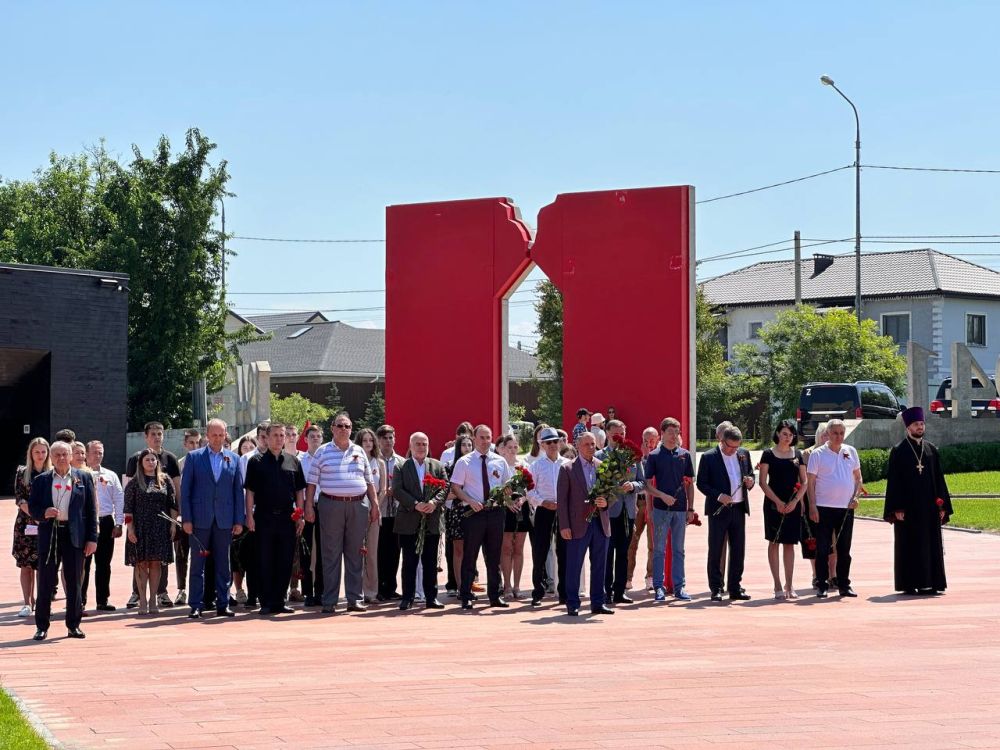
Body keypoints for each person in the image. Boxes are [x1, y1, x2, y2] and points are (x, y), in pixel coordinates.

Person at [305, 411, 379, 614]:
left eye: (347, 426)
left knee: (356, 553)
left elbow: (369, 481)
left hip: (358, 505)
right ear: (332, 428)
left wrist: (374, 504)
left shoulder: (359, 451)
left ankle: (354, 599)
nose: (343, 429)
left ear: (351, 429)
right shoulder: (322, 451)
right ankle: (329, 600)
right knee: (330, 554)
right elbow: (311, 482)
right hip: (331, 505)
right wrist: (308, 506)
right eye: (340, 425)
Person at [28, 441, 98, 640]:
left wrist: (92, 538)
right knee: (46, 582)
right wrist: (44, 513)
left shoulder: (83, 477)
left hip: (74, 535)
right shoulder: (41, 480)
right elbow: (32, 508)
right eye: (56, 454)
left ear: (71, 456)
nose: (60, 458)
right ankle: (41, 626)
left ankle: (73, 625)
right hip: (50, 533)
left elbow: (91, 510)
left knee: (74, 581)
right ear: (51, 456)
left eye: (64, 454)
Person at [883, 407, 953, 595]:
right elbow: (894, 481)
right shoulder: (899, 451)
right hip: (908, 509)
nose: (920, 427)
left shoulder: (931, 450)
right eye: (916, 424)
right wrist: (897, 507)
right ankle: (909, 583)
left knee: (931, 544)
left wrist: (943, 505)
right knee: (910, 544)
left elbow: (939, 479)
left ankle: (932, 582)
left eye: (921, 424)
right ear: (908, 427)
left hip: (930, 508)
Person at [180, 418, 245, 618]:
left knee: (223, 564)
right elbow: (185, 491)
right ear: (207, 436)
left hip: (224, 520)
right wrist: (187, 519)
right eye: (214, 435)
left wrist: (238, 520)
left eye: (221, 435)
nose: (217, 439)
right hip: (199, 520)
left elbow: (237, 492)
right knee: (198, 564)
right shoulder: (194, 457)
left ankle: (223, 603)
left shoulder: (233, 459)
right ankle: (196, 605)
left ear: (225, 435)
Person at [244, 423, 306, 614]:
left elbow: (299, 492)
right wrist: (249, 516)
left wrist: (300, 516)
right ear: (267, 438)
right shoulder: (256, 462)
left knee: (285, 560)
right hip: (263, 517)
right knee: (264, 559)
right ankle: (266, 602)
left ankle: (279, 600)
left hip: (287, 519)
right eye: (275, 435)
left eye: (282, 435)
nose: (279, 439)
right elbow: (250, 492)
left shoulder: (293, 461)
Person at [450, 424, 512, 610]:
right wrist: (469, 501)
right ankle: (467, 595)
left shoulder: (499, 461)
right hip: (473, 514)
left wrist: (507, 494)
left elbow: (506, 484)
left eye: (488, 437)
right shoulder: (464, 462)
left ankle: (495, 595)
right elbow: (455, 487)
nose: (486, 441)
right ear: (474, 438)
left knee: (494, 556)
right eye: (482, 437)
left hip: (495, 513)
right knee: (470, 555)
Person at [125, 422, 182, 610]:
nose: (151, 462)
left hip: (160, 526)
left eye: (160, 433)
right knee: (141, 563)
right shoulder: (134, 478)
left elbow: (173, 499)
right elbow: (128, 506)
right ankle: (140, 598)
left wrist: (174, 523)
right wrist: (130, 527)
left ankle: (156, 597)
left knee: (157, 562)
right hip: (140, 526)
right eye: (147, 460)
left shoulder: (166, 473)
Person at [697, 425, 755, 602]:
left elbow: (751, 475)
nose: (733, 451)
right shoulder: (709, 457)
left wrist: (750, 482)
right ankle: (716, 588)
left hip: (738, 508)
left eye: (736, 447)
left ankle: (735, 587)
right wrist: (718, 496)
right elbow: (701, 483)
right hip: (719, 510)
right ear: (721, 441)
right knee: (716, 549)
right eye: (730, 447)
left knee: (738, 550)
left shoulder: (743, 453)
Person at [392, 432, 449, 610]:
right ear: (410, 446)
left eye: (424, 444)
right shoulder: (401, 466)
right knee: (409, 561)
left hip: (431, 520)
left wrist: (433, 502)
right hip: (409, 520)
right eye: (418, 444)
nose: (421, 447)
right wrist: (416, 505)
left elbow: (445, 486)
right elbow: (397, 490)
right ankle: (407, 597)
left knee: (430, 562)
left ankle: (431, 597)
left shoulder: (437, 466)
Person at [805, 419, 862, 598]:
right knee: (822, 548)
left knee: (844, 549)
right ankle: (822, 583)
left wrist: (856, 497)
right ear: (827, 434)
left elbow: (858, 478)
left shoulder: (850, 451)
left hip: (845, 508)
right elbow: (810, 482)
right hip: (823, 507)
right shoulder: (818, 454)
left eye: (841, 433)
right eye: (835, 433)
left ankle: (844, 584)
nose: (838, 437)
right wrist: (812, 506)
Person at [558, 432, 612, 616]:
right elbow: (562, 500)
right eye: (587, 444)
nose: (591, 447)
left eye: (593, 444)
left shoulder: (602, 466)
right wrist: (564, 525)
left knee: (599, 565)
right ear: (578, 446)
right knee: (574, 565)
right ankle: (572, 603)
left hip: (600, 523)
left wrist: (606, 502)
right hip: (577, 524)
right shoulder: (567, 469)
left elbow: (610, 494)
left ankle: (598, 602)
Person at [644, 417, 696, 602]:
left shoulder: (685, 455)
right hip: (660, 510)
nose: (675, 435)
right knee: (659, 549)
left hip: (681, 510)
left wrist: (691, 508)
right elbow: (647, 485)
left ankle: (679, 587)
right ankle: (659, 587)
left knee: (679, 549)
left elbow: (689, 483)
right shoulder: (654, 456)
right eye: (671, 432)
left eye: (677, 431)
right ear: (663, 433)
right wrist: (661, 497)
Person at [759, 420, 807, 600]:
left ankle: (789, 583)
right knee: (774, 541)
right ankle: (777, 584)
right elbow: (763, 482)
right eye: (785, 434)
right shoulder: (768, 454)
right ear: (778, 433)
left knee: (789, 543)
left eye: (791, 435)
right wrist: (778, 502)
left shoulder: (798, 454)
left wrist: (795, 501)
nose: (788, 438)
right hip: (773, 504)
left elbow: (804, 482)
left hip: (792, 504)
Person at [599, 419, 645, 604]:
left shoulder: (633, 455)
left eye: (623, 433)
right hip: (608, 511)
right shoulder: (600, 456)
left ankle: (620, 591)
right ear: (608, 434)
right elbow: (595, 482)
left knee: (624, 552)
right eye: (616, 433)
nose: (620, 437)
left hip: (628, 511)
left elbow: (643, 482)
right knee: (607, 553)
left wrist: (632, 485)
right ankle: (606, 591)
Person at [526, 427, 569, 606]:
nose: (553, 445)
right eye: (549, 442)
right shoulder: (535, 466)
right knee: (540, 551)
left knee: (564, 551)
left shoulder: (567, 463)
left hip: (563, 510)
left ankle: (564, 592)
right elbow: (529, 490)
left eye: (556, 441)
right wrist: (543, 502)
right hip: (544, 509)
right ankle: (538, 591)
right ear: (542, 445)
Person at [81, 441, 124, 612]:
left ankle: (102, 600)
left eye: (101, 452)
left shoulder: (111, 475)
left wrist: (119, 523)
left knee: (104, 564)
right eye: (94, 452)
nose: (98, 456)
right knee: (84, 564)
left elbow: (119, 499)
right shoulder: (79, 474)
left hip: (106, 522)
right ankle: (80, 601)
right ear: (86, 454)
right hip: (86, 522)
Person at [12, 437, 50, 617]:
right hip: (26, 523)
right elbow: (20, 499)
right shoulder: (22, 472)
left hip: (47, 523)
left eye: (43, 452)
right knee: (26, 565)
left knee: (44, 566)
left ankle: (43, 602)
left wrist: (43, 517)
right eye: (37, 452)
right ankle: (27, 603)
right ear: (31, 453)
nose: (40, 455)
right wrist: (35, 516)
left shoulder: (53, 472)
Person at [496, 434, 530, 600]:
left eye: (515, 447)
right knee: (507, 548)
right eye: (509, 447)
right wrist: (507, 501)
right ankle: (507, 585)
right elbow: (497, 487)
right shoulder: (499, 465)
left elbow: (530, 487)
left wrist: (522, 499)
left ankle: (517, 586)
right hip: (505, 508)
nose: (512, 450)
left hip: (521, 508)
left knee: (519, 548)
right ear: (503, 448)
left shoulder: (523, 465)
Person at [626, 427, 659, 592]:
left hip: (653, 505)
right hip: (637, 503)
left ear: (658, 440)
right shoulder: (635, 457)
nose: (649, 444)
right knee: (632, 541)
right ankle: (627, 578)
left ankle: (650, 577)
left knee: (652, 543)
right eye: (646, 440)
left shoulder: (661, 457)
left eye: (652, 440)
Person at [357, 427, 386, 603]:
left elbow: (382, 489)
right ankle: (356, 591)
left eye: (370, 440)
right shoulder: (354, 460)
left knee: (372, 553)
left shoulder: (379, 463)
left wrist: (374, 507)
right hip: (357, 510)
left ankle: (371, 591)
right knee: (357, 552)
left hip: (374, 512)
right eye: (364, 440)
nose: (368, 443)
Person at [297, 425, 325, 606]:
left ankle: (321, 591)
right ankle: (307, 591)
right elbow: (298, 487)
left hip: (325, 506)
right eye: (312, 436)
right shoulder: (299, 461)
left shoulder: (327, 458)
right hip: (307, 506)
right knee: (305, 550)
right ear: (305, 439)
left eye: (318, 436)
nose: (315, 439)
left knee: (323, 551)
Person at [375, 424, 404, 601]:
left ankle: (391, 587)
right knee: (379, 552)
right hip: (380, 512)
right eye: (384, 438)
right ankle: (379, 587)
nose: (388, 441)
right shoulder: (373, 460)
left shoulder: (401, 461)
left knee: (394, 552)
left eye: (390, 437)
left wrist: (397, 490)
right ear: (379, 440)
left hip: (397, 513)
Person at [444, 435, 474, 596]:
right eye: (464, 445)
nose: (467, 448)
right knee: (458, 550)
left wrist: (463, 493)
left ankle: (469, 585)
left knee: (471, 549)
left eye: (470, 445)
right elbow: (445, 493)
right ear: (458, 447)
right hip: (456, 512)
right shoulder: (450, 466)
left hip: (473, 510)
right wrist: (460, 494)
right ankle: (461, 587)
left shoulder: (476, 465)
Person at [801, 422, 830, 588]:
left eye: (829, 434)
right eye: (824, 434)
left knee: (831, 541)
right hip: (811, 501)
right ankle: (815, 574)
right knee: (813, 539)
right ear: (818, 436)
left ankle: (832, 575)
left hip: (830, 501)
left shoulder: (838, 451)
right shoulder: (807, 453)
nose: (827, 437)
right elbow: (804, 480)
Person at [232, 435, 259, 608]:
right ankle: (239, 589)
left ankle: (254, 592)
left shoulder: (258, 461)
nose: (248, 450)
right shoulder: (240, 463)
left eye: (251, 447)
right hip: (241, 516)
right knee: (237, 557)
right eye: (245, 447)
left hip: (258, 516)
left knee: (253, 558)